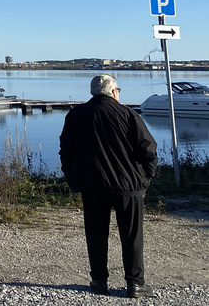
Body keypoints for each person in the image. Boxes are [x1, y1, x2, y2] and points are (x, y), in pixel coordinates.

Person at [60, 75, 158, 298]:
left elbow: (66, 149)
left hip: (92, 185)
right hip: (128, 185)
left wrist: (72, 177)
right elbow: (148, 148)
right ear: (113, 92)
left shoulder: (76, 115)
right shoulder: (128, 114)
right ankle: (135, 283)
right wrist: (146, 176)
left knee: (95, 233)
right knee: (132, 236)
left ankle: (99, 281)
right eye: (118, 90)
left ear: (93, 92)